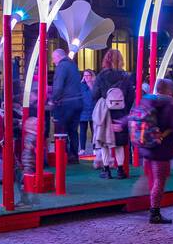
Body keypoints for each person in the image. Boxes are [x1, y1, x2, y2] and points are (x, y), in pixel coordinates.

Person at [132, 78, 173, 224]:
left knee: (149, 177)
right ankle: (155, 213)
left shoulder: (146, 101)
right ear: (170, 91)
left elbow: (132, 117)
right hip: (161, 148)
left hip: (146, 146)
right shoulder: (170, 105)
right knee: (159, 180)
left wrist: (120, 125)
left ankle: (140, 203)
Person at [92, 49, 134, 178]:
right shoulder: (126, 76)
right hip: (120, 113)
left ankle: (106, 170)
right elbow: (130, 96)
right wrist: (124, 110)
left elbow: (95, 95)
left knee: (105, 142)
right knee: (119, 143)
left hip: (106, 113)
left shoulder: (101, 76)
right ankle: (120, 170)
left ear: (106, 60)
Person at [48, 47, 83, 162]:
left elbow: (58, 86)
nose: (53, 61)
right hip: (78, 101)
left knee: (62, 131)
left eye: (53, 58)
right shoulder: (73, 65)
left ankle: (63, 156)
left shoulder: (62, 66)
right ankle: (74, 156)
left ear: (58, 56)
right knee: (73, 131)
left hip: (66, 103)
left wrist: (52, 100)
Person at [79, 69, 96, 155]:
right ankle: (82, 149)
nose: (86, 77)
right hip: (83, 111)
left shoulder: (95, 85)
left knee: (94, 131)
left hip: (93, 111)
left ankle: (95, 148)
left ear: (92, 76)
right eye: (84, 76)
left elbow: (96, 96)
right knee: (82, 131)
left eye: (88, 75)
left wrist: (91, 85)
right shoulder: (81, 85)